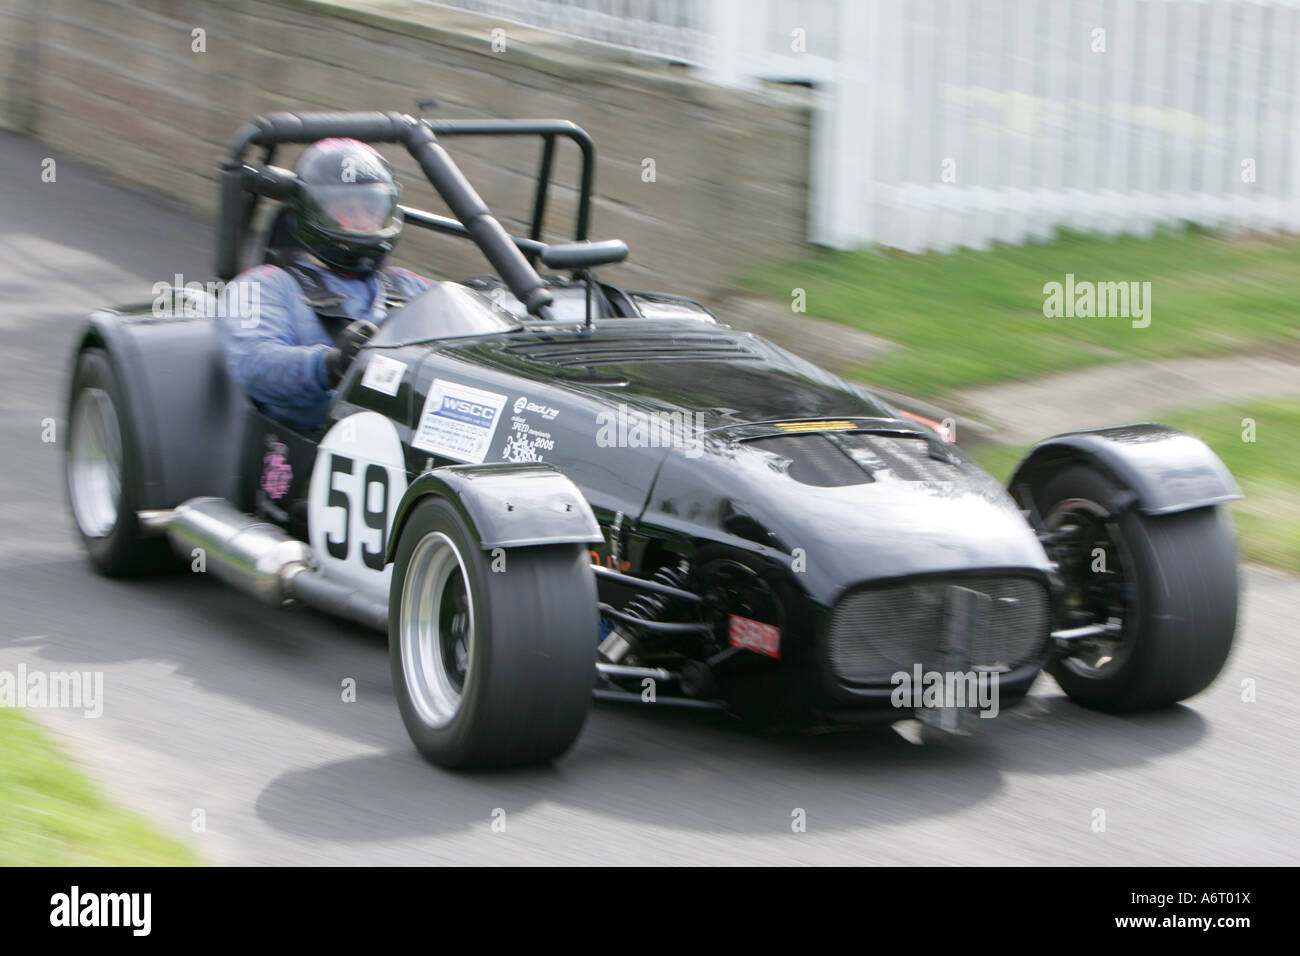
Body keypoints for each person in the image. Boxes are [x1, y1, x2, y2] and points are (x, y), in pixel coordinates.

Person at [219, 138, 435, 433]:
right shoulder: (263, 286)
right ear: (312, 211)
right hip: (309, 448)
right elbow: (254, 365)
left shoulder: (409, 286)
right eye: (346, 210)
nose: (360, 221)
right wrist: (330, 363)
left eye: (370, 209)